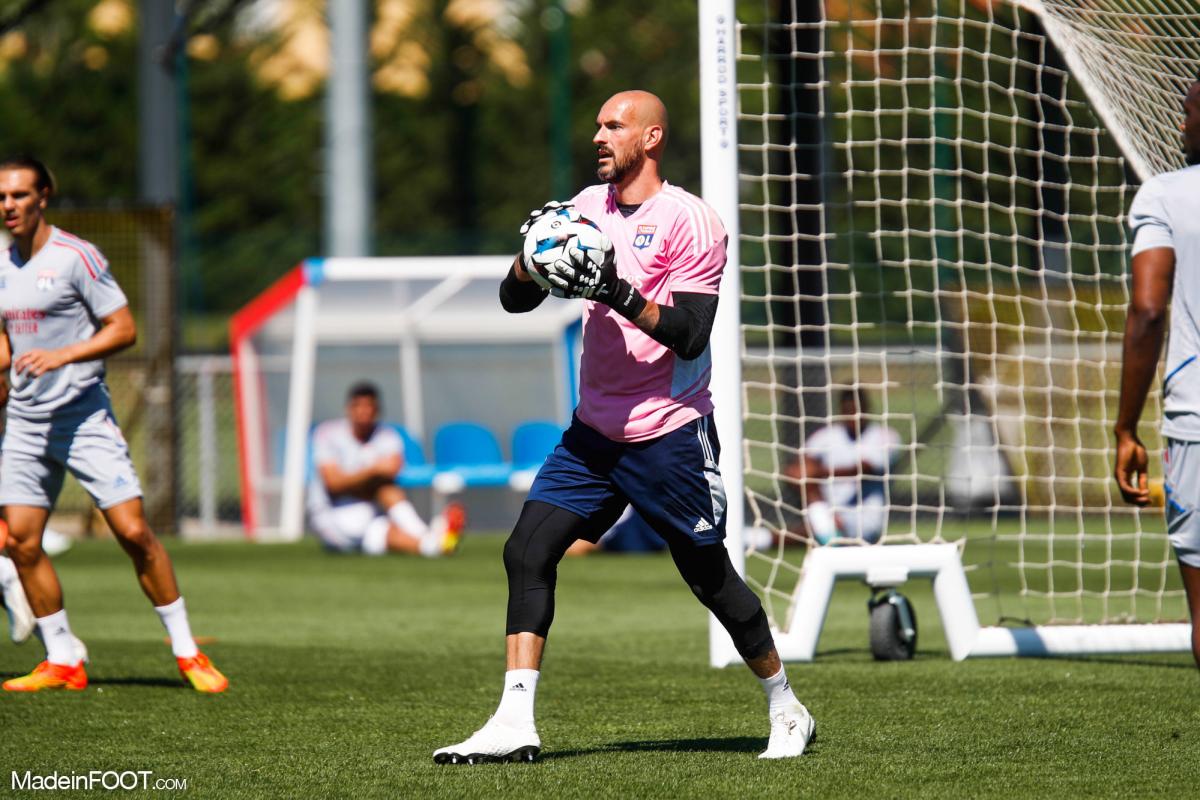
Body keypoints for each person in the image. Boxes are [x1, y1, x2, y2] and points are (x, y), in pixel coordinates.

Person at [435, 90, 815, 764]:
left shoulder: (692, 220)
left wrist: (614, 289)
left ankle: (786, 706)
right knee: (526, 551)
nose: (599, 136)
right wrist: (530, 259)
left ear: (652, 137)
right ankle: (514, 720)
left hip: (670, 432)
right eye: (598, 125)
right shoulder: (583, 208)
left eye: (615, 125)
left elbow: (690, 335)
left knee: (708, 576)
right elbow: (513, 299)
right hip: (593, 433)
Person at [0, 155, 226, 692]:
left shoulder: (77, 256)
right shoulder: (1, 264)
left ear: (43, 197)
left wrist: (63, 355)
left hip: (83, 417)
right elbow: (6, 338)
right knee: (22, 543)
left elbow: (124, 329)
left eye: (19, 195)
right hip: (26, 423)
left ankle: (188, 652)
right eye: (1, 197)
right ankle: (62, 659)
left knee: (134, 533)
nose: (9, 205)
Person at [1114, 73, 1200, 668]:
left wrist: (1125, 429)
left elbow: (1148, 311)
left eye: (1188, 110)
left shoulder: (1165, 195)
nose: (1179, 123)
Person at [307, 381, 464, 557]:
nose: (364, 412)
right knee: (379, 524)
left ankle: (432, 543)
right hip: (332, 516)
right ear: (349, 408)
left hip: (369, 510)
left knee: (387, 497)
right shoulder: (328, 433)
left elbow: (392, 469)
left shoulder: (388, 436)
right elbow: (333, 483)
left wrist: (360, 479)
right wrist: (373, 470)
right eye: (358, 406)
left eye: (369, 406)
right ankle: (433, 538)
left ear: (377, 410)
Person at [788, 388, 899, 545]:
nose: (853, 416)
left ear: (866, 408)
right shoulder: (826, 436)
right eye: (848, 411)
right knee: (804, 480)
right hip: (829, 509)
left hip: (864, 517)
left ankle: (826, 533)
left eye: (856, 410)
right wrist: (804, 473)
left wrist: (818, 473)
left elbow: (864, 469)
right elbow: (797, 469)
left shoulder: (884, 435)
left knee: (811, 532)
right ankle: (826, 528)